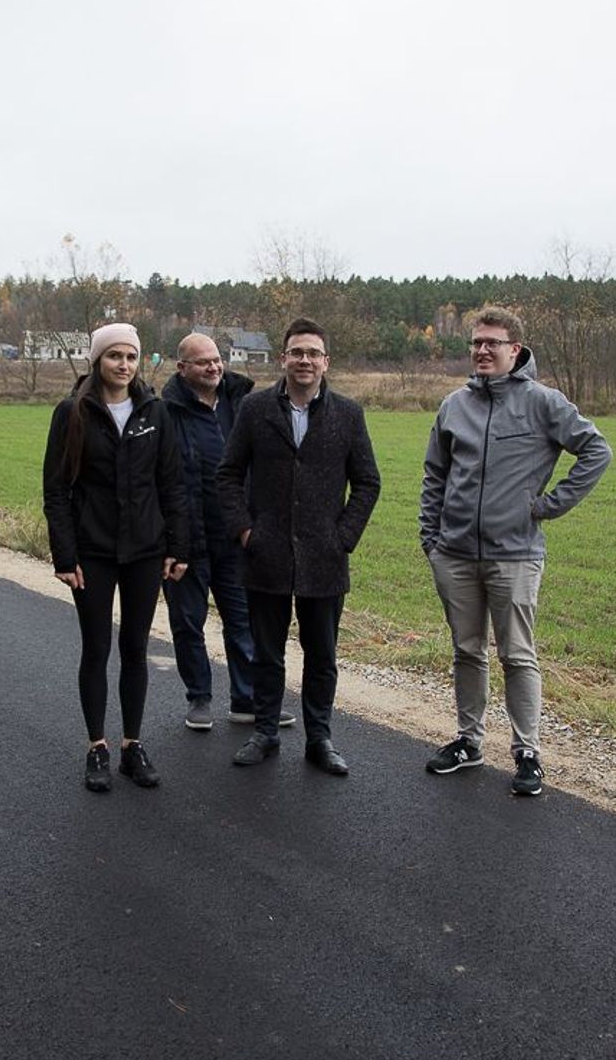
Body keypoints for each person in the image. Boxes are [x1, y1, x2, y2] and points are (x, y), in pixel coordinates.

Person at [419, 306, 611, 796]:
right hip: (456, 553)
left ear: (515, 350)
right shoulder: (454, 406)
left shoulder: (544, 403)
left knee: (518, 656)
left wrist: (547, 506)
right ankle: (468, 741)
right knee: (466, 651)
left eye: (493, 343)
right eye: (476, 343)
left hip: (515, 555)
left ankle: (527, 752)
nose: (482, 350)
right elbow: (434, 477)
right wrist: (432, 540)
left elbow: (596, 450)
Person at [217, 317, 381, 776]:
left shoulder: (348, 414)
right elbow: (228, 473)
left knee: (322, 654)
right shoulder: (254, 409)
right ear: (283, 358)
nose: (304, 360)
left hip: (324, 558)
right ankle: (265, 731)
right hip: (265, 555)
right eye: (297, 352)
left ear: (326, 362)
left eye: (313, 353)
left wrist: (343, 537)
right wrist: (246, 531)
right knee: (266, 652)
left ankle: (319, 738)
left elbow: (367, 482)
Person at [43, 322, 189, 793]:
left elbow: (172, 483)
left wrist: (178, 546)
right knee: (96, 648)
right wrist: (65, 555)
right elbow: (57, 490)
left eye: (130, 357)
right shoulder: (73, 413)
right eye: (114, 357)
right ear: (97, 361)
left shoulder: (155, 412)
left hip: (146, 551)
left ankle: (131, 745)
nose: (123, 365)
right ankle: (97, 747)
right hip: (94, 552)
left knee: (135, 649)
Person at [160, 333, 294, 731]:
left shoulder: (243, 405)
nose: (215, 367)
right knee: (188, 623)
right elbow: (161, 481)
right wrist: (170, 542)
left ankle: (247, 699)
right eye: (203, 362)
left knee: (244, 623)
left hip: (236, 538)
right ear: (182, 368)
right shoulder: (166, 413)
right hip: (186, 542)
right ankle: (199, 698)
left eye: (217, 359)